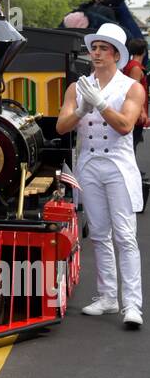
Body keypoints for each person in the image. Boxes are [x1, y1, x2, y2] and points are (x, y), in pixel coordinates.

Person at [56, 23, 143, 330]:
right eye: (94, 48)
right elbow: (61, 127)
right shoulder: (77, 87)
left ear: (116, 54)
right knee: (99, 234)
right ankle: (108, 297)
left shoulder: (131, 87)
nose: (96, 53)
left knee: (125, 235)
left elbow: (125, 126)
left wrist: (102, 104)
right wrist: (81, 109)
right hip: (89, 164)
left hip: (117, 165)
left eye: (103, 48)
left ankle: (132, 303)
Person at [124, 38, 148, 153]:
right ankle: (131, 168)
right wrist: (142, 111)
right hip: (136, 109)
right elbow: (135, 90)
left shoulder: (132, 65)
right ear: (144, 51)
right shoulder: (135, 68)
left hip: (134, 107)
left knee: (135, 139)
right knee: (133, 140)